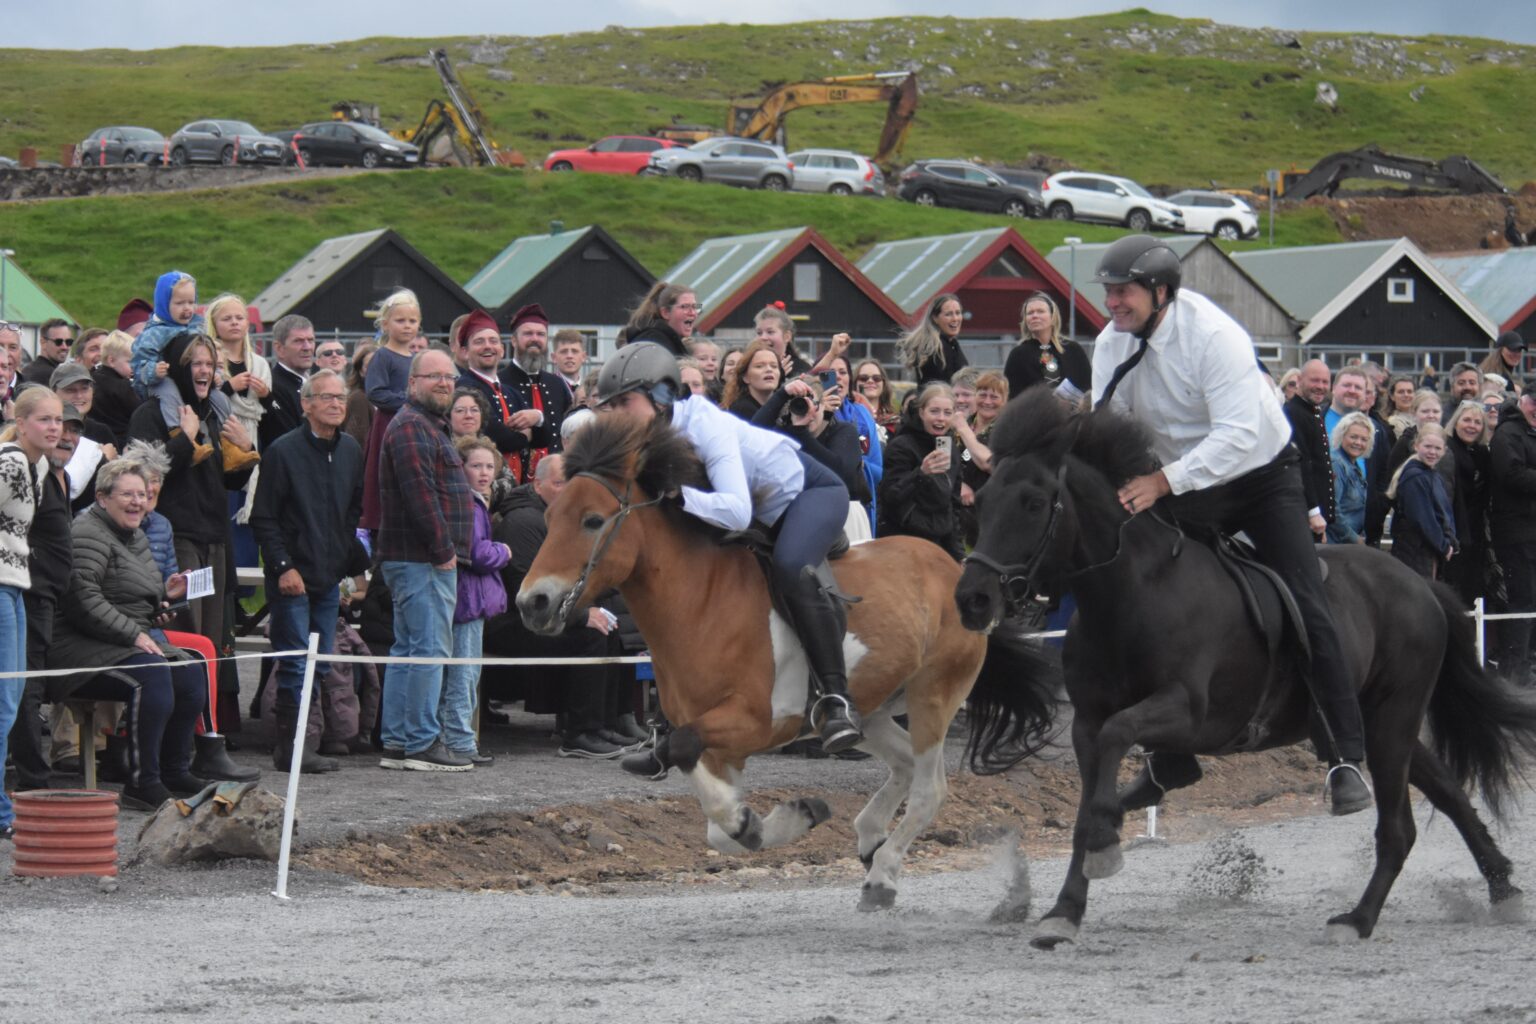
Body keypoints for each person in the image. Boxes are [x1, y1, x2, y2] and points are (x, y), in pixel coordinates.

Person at [1089, 234, 1370, 814]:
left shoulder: (1214, 336)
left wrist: (1162, 483)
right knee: (1147, 595)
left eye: (1124, 292)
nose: (1113, 303)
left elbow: (1239, 437)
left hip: (1259, 478)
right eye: (1109, 292)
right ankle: (1168, 754)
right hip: (1178, 479)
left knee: (1305, 596)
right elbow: (1109, 424)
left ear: (1161, 292)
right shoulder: (1109, 345)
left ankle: (1344, 754)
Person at [595, 342, 863, 753]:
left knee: (792, 567)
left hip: (811, 494)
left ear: (661, 396)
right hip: (764, 512)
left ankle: (835, 697)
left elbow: (736, 513)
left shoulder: (706, 426)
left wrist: (680, 496)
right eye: (608, 405)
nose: (613, 414)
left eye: (622, 403)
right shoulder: (649, 436)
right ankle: (670, 724)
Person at [49, 459, 207, 810]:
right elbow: (82, 599)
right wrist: (134, 635)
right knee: (152, 676)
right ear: (103, 498)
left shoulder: (133, 535)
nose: (138, 502)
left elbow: (129, 596)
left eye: (143, 494)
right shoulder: (87, 532)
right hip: (77, 649)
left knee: (190, 674)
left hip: (114, 642)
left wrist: (163, 599)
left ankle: (174, 770)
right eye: (128, 495)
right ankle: (141, 782)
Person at [250, 368, 365, 774]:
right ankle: (290, 747)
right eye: (327, 397)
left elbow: (353, 508)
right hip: (292, 578)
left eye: (340, 397)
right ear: (306, 404)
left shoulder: (351, 449)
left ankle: (308, 742)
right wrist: (283, 566)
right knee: (296, 661)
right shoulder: (283, 452)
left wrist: (342, 563)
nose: (336, 404)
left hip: (328, 576)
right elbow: (264, 517)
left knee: (321, 661)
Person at [483, 454, 629, 759]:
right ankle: (578, 734)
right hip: (509, 621)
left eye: (570, 484)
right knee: (590, 636)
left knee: (610, 626)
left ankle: (603, 723)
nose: (566, 490)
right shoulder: (523, 522)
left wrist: (593, 608)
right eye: (558, 483)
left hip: (543, 615)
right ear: (537, 485)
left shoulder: (561, 520)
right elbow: (524, 594)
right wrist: (578, 616)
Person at [126, 332, 257, 671]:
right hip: (177, 538)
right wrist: (184, 438)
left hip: (213, 538)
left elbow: (225, 481)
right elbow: (143, 478)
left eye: (209, 364)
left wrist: (246, 452)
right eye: (196, 363)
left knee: (211, 638)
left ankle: (205, 716)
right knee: (184, 634)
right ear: (179, 369)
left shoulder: (214, 411)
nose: (204, 371)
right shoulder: (151, 413)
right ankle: (180, 717)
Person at [376, 347, 475, 772]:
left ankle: (399, 742)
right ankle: (420, 742)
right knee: (429, 649)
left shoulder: (425, 426)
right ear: (411, 383)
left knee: (409, 649)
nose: (444, 384)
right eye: (434, 376)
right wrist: (445, 552)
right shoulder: (413, 427)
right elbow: (422, 497)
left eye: (450, 377)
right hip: (423, 559)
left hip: (416, 558)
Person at [0, 388, 61, 835]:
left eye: (58, 420)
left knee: (13, 697)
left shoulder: (38, 467)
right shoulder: (12, 462)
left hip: (16, 586)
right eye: (44, 419)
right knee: (4, 702)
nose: (54, 427)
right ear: (20, 423)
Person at [443, 436, 510, 765]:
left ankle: (457, 738)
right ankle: (459, 740)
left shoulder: (476, 502)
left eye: (489, 466)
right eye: (476, 466)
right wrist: (504, 551)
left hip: (471, 598)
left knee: (466, 671)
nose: (484, 473)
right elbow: (477, 553)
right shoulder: (468, 504)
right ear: (462, 467)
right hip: (467, 598)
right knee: (464, 672)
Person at [129, 272, 236, 466]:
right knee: (168, 388)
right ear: (164, 303)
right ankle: (179, 433)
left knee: (220, 397)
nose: (187, 309)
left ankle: (230, 447)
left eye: (191, 302)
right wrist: (154, 370)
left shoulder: (196, 326)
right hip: (158, 383)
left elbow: (209, 355)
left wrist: (217, 374)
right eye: (180, 303)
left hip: (188, 387)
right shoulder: (154, 332)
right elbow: (138, 363)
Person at [877, 382, 964, 560]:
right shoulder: (902, 445)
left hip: (938, 541)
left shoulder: (951, 450)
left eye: (947, 413)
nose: (941, 418)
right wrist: (921, 474)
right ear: (921, 412)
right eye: (934, 411)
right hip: (903, 540)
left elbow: (953, 506)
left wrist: (958, 556)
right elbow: (889, 496)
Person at [361, 290, 422, 532]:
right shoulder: (382, 357)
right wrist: (409, 400)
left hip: (416, 428)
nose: (407, 326)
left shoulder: (417, 359)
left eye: (412, 321)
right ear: (385, 324)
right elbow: (376, 393)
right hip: (388, 427)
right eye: (400, 320)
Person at [1490, 391, 1536, 682]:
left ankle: (1525, 662)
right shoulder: (1507, 432)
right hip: (1516, 530)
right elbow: (1511, 475)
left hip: (1530, 527)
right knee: (1523, 597)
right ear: (1524, 401)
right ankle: (1514, 668)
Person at [498, 304, 572, 483]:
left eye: (540, 334)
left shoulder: (557, 384)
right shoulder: (499, 382)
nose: (535, 339)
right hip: (513, 481)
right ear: (514, 340)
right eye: (528, 333)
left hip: (556, 481)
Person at [1386, 423, 1456, 579]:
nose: (1432, 452)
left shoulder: (1432, 475)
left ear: (1444, 450)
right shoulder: (1415, 477)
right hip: (1414, 551)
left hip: (1428, 551)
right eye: (1428, 446)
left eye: (1438, 448)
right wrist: (1444, 546)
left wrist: (1451, 541)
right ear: (1416, 446)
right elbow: (1423, 520)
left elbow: (1444, 513)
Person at [1440, 401, 1492, 607]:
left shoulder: (1480, 453)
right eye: (1467, 420)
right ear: (1456, 422)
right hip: (1456, 531)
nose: (1472, 426)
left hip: (1474, 530)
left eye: (1477, 422)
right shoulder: (1448, 449)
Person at [1281, 359, 1335, 541]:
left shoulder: (1311, 411)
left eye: (1325, 382)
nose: (1320, 386)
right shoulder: (1292, 412)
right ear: (1300, 380)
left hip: (1317, 517)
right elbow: (1301, 463)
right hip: (1304, 514)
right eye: (1315, 380)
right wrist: (1313, 511)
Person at [1004, 292, 1090, 400]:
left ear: (1053, 317)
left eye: (1040, 311)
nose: (1035, 316)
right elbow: (1012, 396)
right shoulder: (1018, 355)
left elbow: (1087, 387)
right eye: (1030, 313)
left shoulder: (1073, 350)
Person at [258, 313, 314, 452]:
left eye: (311, 340)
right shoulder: (272, 386)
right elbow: (288, 437)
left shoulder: (309, 384)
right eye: (298, 341)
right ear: (279, 348)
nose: (307, 347)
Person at [898, 293, 967, 385]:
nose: (955, 318)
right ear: (935, 318)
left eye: (958, 313)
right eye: (948, 314)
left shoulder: (951, 344)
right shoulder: (935, 349)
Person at [1327, 412, 1374, 545]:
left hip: (1348, 545)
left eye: (1364, 439)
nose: (1358, 443)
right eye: (1353, 437)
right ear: (1341, 436)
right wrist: (1355, 539)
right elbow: (1333, 510)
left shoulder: (1354, 465)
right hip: (1336, 545)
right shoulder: (1336, 464)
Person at [90, 330, 143, 447]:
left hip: (95, 439)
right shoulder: (123, 387)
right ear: (111, 360)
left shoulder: (92, 378)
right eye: (130, 362)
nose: (135, 367)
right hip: (119, 441)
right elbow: (139, 411)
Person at [623, 281, 699, 355]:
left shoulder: (670, 342)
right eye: (684, 307)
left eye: (694, 307)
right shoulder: (654, 343)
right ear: (665, 313)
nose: (692, 313)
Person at [1387, 389, 1445, 478]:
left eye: (1435, 411)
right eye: (1425, 411)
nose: (1431, 415)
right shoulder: (1405, 443)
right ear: (1414, 413)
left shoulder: (1447, 441)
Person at [721, 339, 781, 420]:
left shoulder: (784, 406)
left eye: (774, 366)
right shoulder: (740, 409)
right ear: (745, 377)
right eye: (759, 366)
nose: (769, 369)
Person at [752, 305, 815, 379]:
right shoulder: (750, 367)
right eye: (759, 333)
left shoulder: (801, 369)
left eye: (770, 332)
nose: (763, 337)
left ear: (787, 336)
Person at [19, 317, 73, 387]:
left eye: (68, 342)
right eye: (58, 342)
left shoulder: (28, 370)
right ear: (43, 342)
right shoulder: (50, 376)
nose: (65, 347)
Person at [854, 358, 901, 438]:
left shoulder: (895, 423)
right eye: (863, 378)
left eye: (876, 378)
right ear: (854, 383)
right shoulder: (846, 418)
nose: (870, 381)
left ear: (883, 384)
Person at [343, 342, 376, 451]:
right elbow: (357, 443)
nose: (375, 369)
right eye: (369, 366)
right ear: (361, 371)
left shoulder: (386, 398)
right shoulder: (358, 399)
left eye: (379, 365)